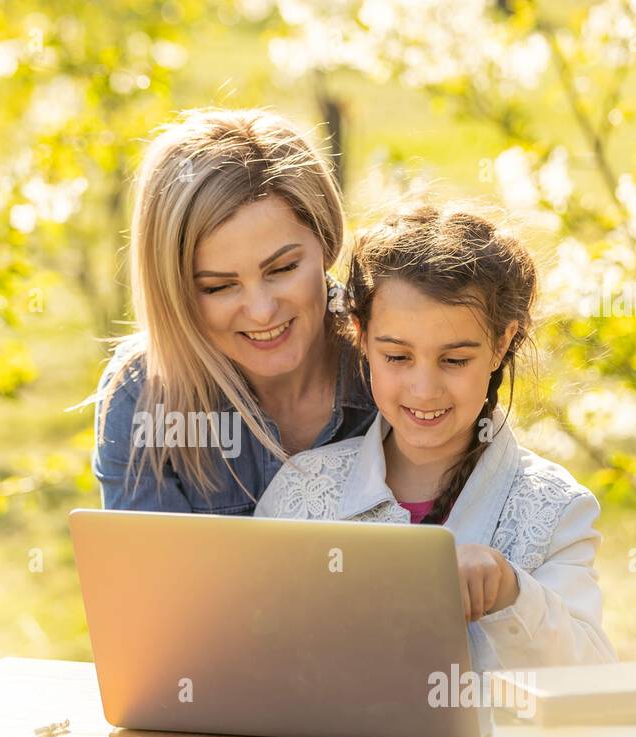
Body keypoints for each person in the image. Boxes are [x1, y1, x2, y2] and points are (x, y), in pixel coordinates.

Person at [255, 202, 617, 671]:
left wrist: (511, 591)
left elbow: (593, 673)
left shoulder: (555, 509)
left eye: (454, 360)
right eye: (398, 357)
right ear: (362, 337)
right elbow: (256, 655)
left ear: (502, 344)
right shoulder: (303, 492)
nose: (424, 390)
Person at [85, 108, 376, 515]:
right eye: (218, 287)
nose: (261, 312)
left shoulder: (394, 358)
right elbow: (148, 576)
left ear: (326, 242)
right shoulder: (143, 395)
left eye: (283, 268)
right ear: (175, 291)